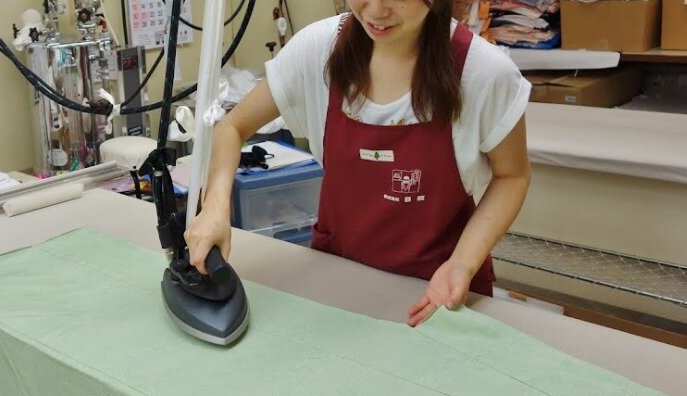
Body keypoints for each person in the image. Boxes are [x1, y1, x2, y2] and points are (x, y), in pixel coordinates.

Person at [184, 0, 531, 326]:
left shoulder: (483, 73)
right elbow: (232, 127)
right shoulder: (317, 51)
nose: (376, 10)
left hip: (437, 290)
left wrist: (462, 264)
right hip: (339, 278)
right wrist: (215, 207)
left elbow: (512, 176)